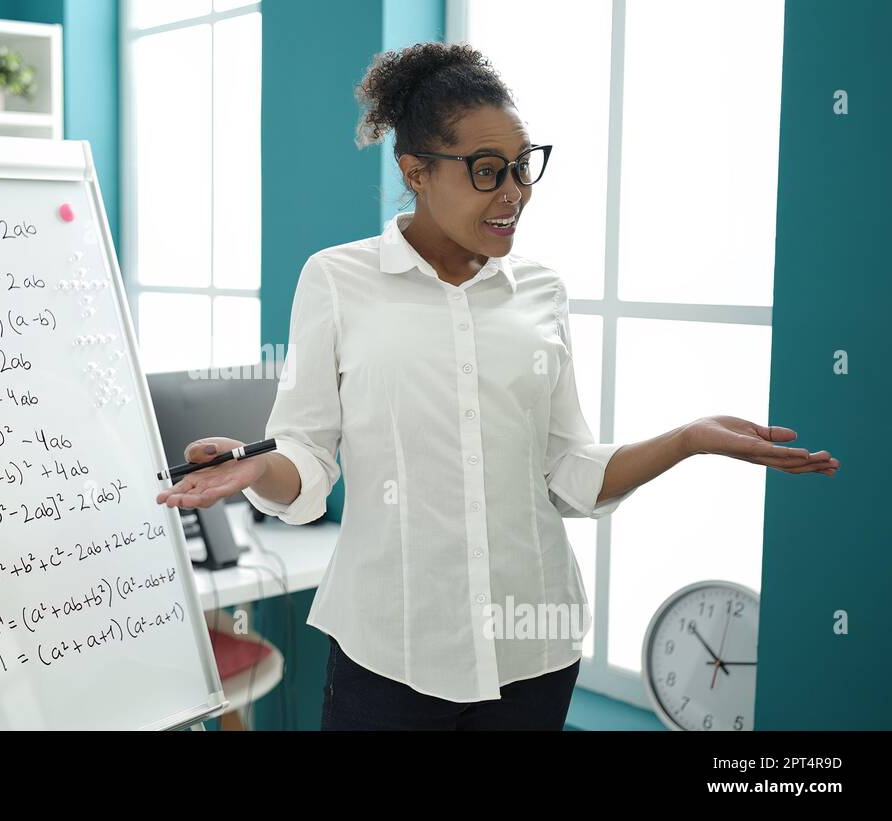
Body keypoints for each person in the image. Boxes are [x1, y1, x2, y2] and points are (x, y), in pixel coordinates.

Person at [153, 41, 839, 731]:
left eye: (522, 165)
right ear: (415, 171)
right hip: (390, 655)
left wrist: (688, 439)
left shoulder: (542, 292)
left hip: (533, 654)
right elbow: (304, 456)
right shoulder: (336, 280)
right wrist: (257, 469)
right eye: (486, 170)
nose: (514, 191)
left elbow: (568, 471)